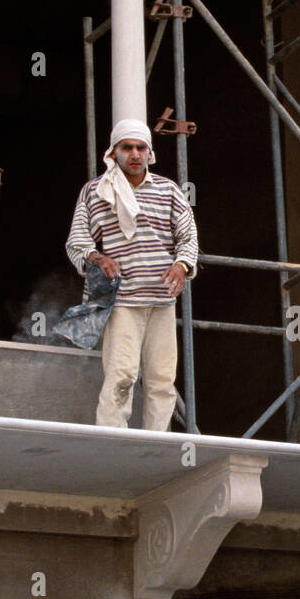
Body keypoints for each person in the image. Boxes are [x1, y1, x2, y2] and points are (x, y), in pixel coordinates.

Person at [66, 119, 198, 430]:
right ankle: (113, 441)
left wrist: (181, 265)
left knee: (162, 380)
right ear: (114, 153)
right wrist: (97, 258)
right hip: (123, 299)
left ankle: (156, 444)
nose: (135, 154)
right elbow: (77, 240)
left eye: (141, 148)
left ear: (149, 153)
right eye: (127, 148)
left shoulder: (169, 190)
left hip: (162, 300)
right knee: (122, 375)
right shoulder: (96, 191)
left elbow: (188, 237)